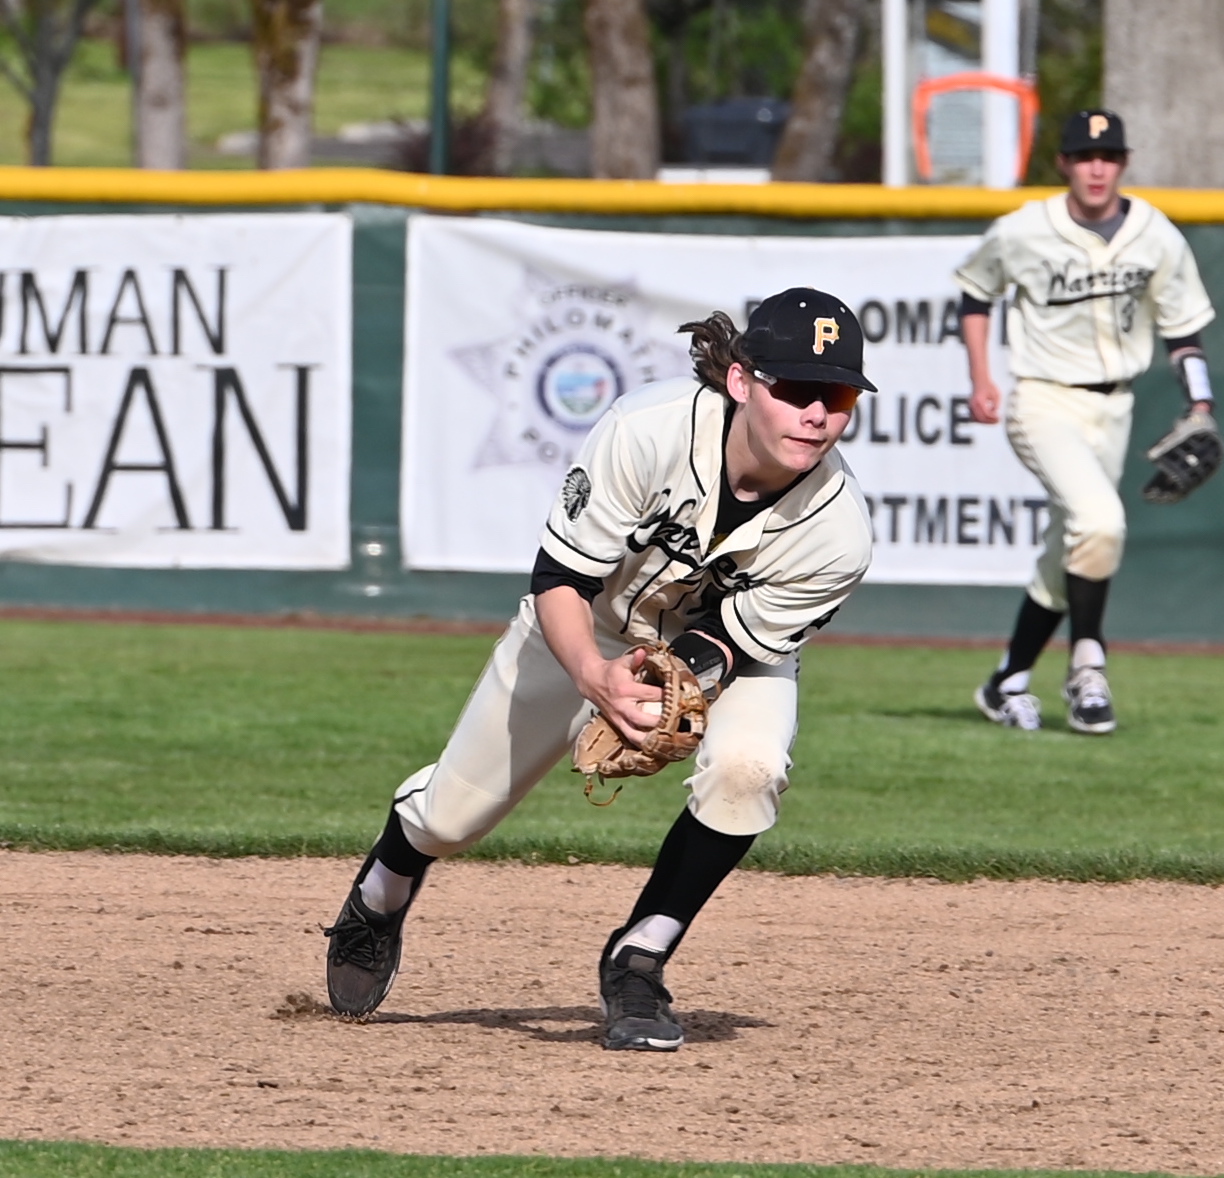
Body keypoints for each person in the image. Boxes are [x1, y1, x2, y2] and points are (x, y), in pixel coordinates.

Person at [322, 288, 875, 1052]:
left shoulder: (838, 532)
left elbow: (723, 643)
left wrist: (652, 697)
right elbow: (559, 582)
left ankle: (639, 957)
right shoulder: (646, 430)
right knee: (452, 817)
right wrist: (593, 677)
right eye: (796, 390)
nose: (817, 414)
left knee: (749, 768)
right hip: (582, 626)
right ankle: (382, 892)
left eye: (837, 396)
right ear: (743, 381)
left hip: (712, 649)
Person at [954, 109, 1218, 735]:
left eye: (1108, 156)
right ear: (1065, 164)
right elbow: (974, 290)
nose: (1096, 168)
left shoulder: (1154, 233)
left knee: (1072, 547)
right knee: (1100, 522)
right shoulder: (1024, 230)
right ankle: (1088, 666)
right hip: (1044, 400)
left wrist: (1200, 404)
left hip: (1116, 405)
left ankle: (1006, 680)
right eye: (1083, 156)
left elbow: (1183, 331)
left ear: (1122, 163)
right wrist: (981, 377)